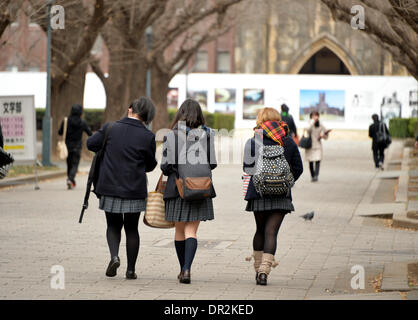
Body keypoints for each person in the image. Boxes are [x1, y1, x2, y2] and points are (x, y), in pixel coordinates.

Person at [87, 97, 157, 280]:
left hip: (109, 186)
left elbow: (91, 144)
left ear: (130, 109)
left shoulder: (110, 128)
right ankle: (131, 270)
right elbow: (150, 165)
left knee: (113, 224)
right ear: (148, 116)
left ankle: (114, 256)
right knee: (132, 228)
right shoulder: (148, 136)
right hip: (134, 188)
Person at [243, 107, 303, 285]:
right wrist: (285, 181)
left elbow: (247, 168)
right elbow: (298, 168)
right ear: (278, 120)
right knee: (271, 232)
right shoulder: (288, 141)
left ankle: (257, 269)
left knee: (260, 230)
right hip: (281, 196)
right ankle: (264, 272)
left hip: (259, 194)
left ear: (260, 120)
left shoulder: (254, 140)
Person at [161, 99, 217, 284]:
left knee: (179, 231)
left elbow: (165, 166)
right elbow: (213, 163)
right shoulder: (208, 134)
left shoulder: (172, 135)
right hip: (200, 187)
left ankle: (183, 269)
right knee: (191, 230)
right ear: (200, 114)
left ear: (180, 114)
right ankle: (187, 269)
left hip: (178, 188)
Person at [58, 104, 92, 189]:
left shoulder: (66, 121)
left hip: (67, 146)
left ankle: (70, 179)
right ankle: (70, 179)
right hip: (77, 146)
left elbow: (60, 132)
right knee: (75, 165)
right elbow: (90, 133)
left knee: (69, 164)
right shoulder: (82, 122)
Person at [305, 111, 330, 182]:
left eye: (316, 116)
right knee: (310, 162)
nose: (315, 117)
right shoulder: (309, 123)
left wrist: (323, 135)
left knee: (318, 160)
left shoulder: (320, 124)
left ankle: (316, 176)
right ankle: (312, 175)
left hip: (318, 145)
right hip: (310, 145)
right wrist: (312, 122)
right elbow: (307, 130)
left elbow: (326, 133)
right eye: (313, 116)